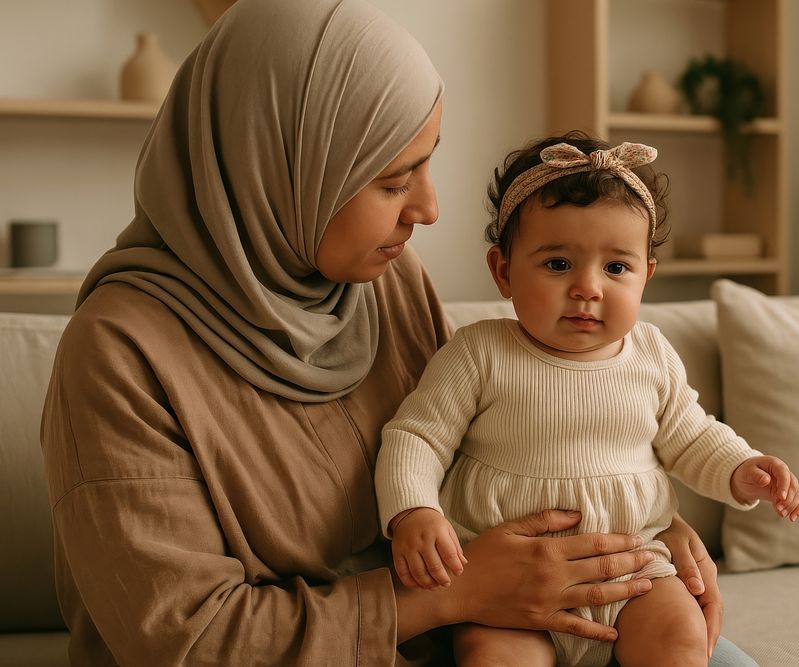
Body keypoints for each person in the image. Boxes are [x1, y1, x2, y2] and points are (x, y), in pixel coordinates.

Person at [39, 0, 761, 664]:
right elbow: (187, 639)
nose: (428, 208)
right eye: (391, 181)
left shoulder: (384, 280)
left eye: (428, 162)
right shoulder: (119, 354)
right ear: (280, 167)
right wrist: (453, 596)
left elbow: (496, 444)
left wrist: (641, 533)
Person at [375, 134, 799, 667]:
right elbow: (417, 437)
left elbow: (692, 435)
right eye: (558, 264)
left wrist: (741, 468)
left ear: (646, 276)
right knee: (495, 658)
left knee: (680, 638)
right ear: (503, 270)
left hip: (635, 572)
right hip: (508, 589)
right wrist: (413, 510)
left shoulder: (651, 353)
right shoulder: (479, 352)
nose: (588, 288)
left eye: (616, 268)